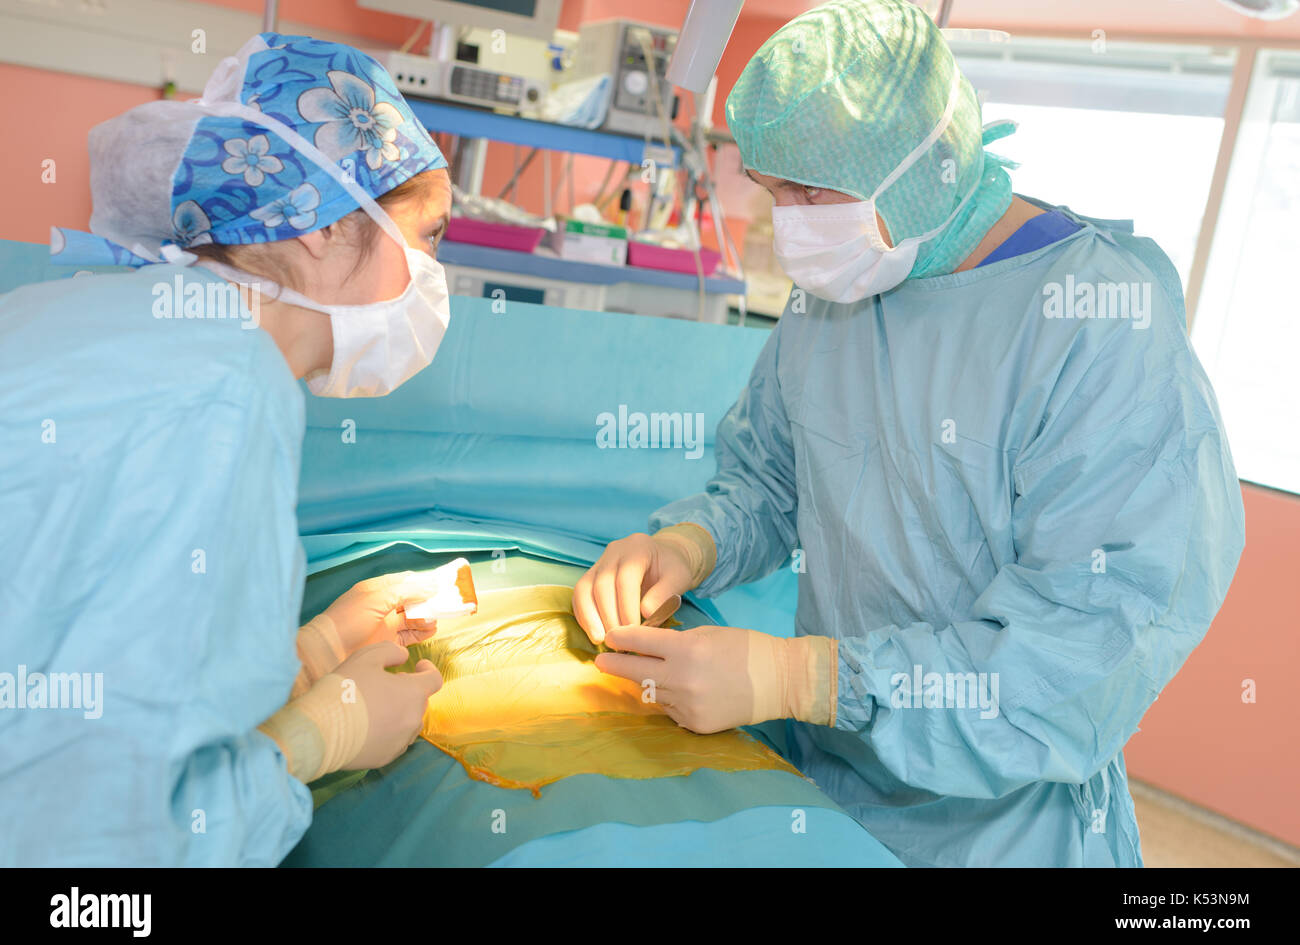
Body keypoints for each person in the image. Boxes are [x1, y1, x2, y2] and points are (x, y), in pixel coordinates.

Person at [573, 0, 1246, 867]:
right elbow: (773, 481)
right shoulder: (844, 286)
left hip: (1000, 827)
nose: (792, 225)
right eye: (775, 189)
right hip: (820, 790)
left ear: (920, 167)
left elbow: (1076, 652)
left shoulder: (1098, 329)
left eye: (813, 191)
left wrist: (808, 679)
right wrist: (692, 543)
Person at [0, 33, 458, 865]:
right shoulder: (219, 398)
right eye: (429, 237)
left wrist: (311, 652)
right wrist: (313, 743)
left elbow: (78, 639)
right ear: (322, 223)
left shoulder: (118, 321)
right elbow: (105, 853)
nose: (434, 275)